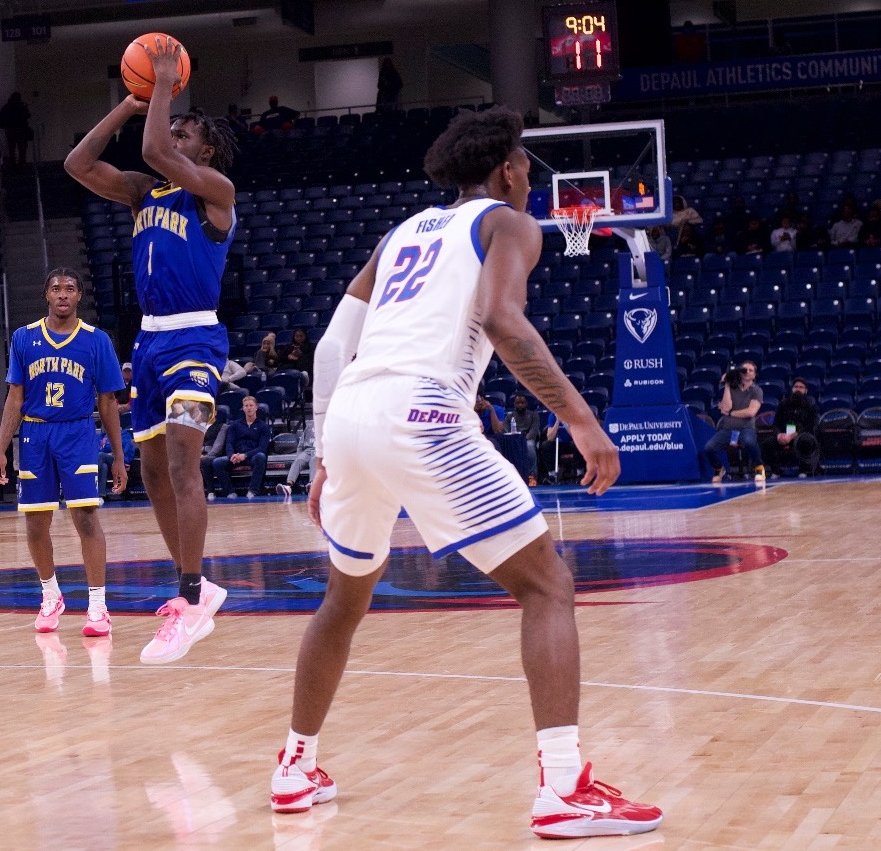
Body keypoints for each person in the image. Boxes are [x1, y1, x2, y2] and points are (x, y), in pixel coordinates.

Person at [267, 106, 657, 837]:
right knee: (546, 585)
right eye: (522, 166)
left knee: (342, 601)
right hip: (421, 413)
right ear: (504, 169)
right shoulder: (508, 225)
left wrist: (324, 451)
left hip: (350, 416)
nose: (527, 180)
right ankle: (564, 787)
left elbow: (328, 348)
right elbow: (504, 323)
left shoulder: (399, 234)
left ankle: (293, 766)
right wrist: (580, 419)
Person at [66, 34, 241, 664]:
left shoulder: (214, 191)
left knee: (187, 460)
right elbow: (78, 165)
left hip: (196, 341)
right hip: (147, 344)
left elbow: (156, 149)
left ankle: (191, 597)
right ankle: (196, 586)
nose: (177, 136)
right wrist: (130, 102)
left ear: (207, 149)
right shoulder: (144, 192)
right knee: (153, 472)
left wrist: (164, 88)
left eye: (188, 132)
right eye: (179, 129)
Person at [0, 268, 127, 637]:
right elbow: (14, 398)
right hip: (34, 435)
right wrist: (1, 449)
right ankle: (51, 596)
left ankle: (98, 607)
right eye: (55, 288)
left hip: (78, 432)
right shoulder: (24, 337)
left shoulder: (96, 341)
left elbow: (108, 401)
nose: (62, 294)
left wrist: (117, 454)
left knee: (85, 518)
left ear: (79, 295)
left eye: (69, 288)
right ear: (46, 295)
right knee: (36, 522)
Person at [702, 362, 763, 482]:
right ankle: (719, 468)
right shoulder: (732, 388)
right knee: (709, 448)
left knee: (749, 442)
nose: (747, 372)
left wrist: (731, 413)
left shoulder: (756, 390)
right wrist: (728, 384)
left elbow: (750, 412)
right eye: (745, 369)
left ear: (754, 375)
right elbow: (726, 407)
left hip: (746, 427)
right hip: (728, 428)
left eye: (751, 370)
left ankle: (759, 467)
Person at [206, 394, 271, 497]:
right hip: (236, 456)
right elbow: (229, 443)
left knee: (261, 457)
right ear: (243, 408)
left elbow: (262, 448)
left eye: (251, 405)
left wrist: (245, 455)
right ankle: (230, 492)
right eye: (246, 406)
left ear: (256, 407)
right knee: (217, 462)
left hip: (252, 456)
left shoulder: (264, 426)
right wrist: (231, 455)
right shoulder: (235, 425)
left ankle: (253, 491)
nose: (249, 408)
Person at [768, 379, 821, 477]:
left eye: (801, 387)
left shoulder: (811, 405)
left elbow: (811, 426)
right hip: (784, 434)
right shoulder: (784, 403)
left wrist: (792, 436)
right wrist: (779, 434)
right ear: (792, 389)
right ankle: (776, 471)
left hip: (801, 434)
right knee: (768, 442)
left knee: (806, 440)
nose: (798, 389)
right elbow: (776, 424)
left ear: (806, 391)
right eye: (796, 387)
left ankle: (804, 471)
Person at [274, 417, 317, 497]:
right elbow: (301, 442)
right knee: (298, 460)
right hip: (307, 450)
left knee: (314, 459)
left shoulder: (328, 424)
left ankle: (313, 485)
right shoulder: (310, 424)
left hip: (320, 450)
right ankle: (288, 487)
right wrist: (299, 454)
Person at [0, 91, 33, 168]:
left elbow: (0, 118)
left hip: (9, 130)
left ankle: (12, 163)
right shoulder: (21, 106)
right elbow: (27, 115)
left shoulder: (6, 107)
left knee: (11, 148)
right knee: (22, 147)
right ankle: (21, 163)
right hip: (20, 130)